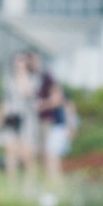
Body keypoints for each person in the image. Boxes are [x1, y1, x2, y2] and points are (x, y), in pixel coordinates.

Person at [0, 52, 34, 185]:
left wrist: (23, 76)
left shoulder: (32, 79)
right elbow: (4, 102)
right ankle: (12, 184)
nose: (19, 64)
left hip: (26, 119)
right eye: (18, 61)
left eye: (22, 61)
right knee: (10, 152)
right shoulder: (9, 80)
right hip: (11, 117)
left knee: (26, 155)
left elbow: (29, 95)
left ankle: (29, 184)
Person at [32, 55, 72, 186]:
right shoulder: (55, 91)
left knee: (52, 158)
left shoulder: (55, 89)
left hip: (58, 127)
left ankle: (55, 184)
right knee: (52, 158)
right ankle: (54, 184)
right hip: (58, 127)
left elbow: (62, 105)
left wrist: (42, 105)